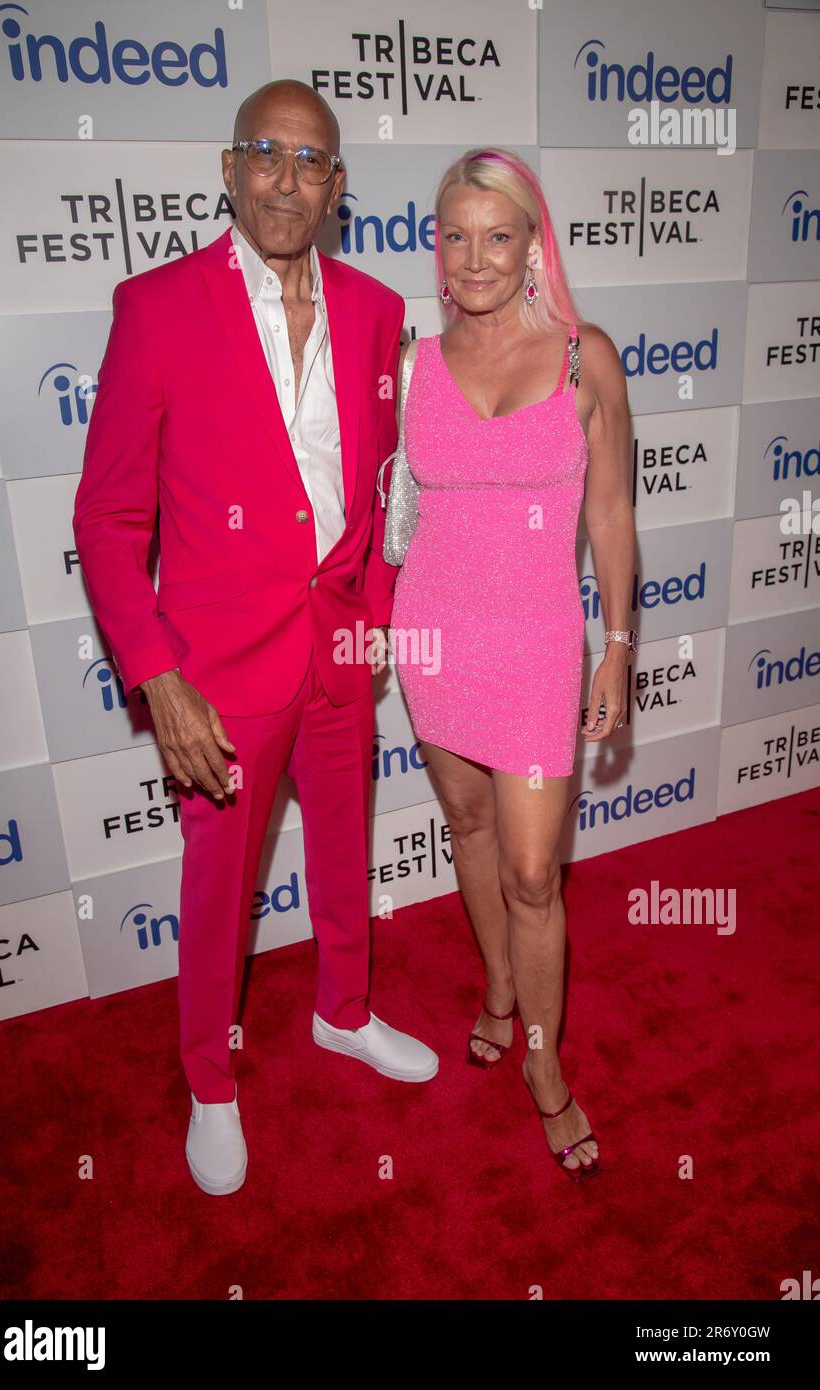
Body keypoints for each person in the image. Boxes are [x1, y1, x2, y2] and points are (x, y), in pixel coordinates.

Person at [72, 79, 438, 1198]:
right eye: (265, 154)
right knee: (218, 886)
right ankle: (210, 1081)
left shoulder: (378, 312)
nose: (288, 177)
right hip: (217, 669)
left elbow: (383, 488)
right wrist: (157, 672)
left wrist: (372, 617)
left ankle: (343, 1010)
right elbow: (108, 514)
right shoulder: (157, 307)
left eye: (312, 160)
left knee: (342, 844)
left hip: (336, 646)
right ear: (228, 171)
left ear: (336, 187)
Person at [387, 148, 636, 1182]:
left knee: (535, 870)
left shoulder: (586, 358)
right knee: (471, 827)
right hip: (432, 641)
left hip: (536, 645)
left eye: (497, 234)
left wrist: (617, 644)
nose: (474, 256)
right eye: (455, 235)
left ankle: (542, 1061)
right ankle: (495, 989)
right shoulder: (407, 364)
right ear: (433, 246)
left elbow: (612, 512)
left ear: (532, 242)